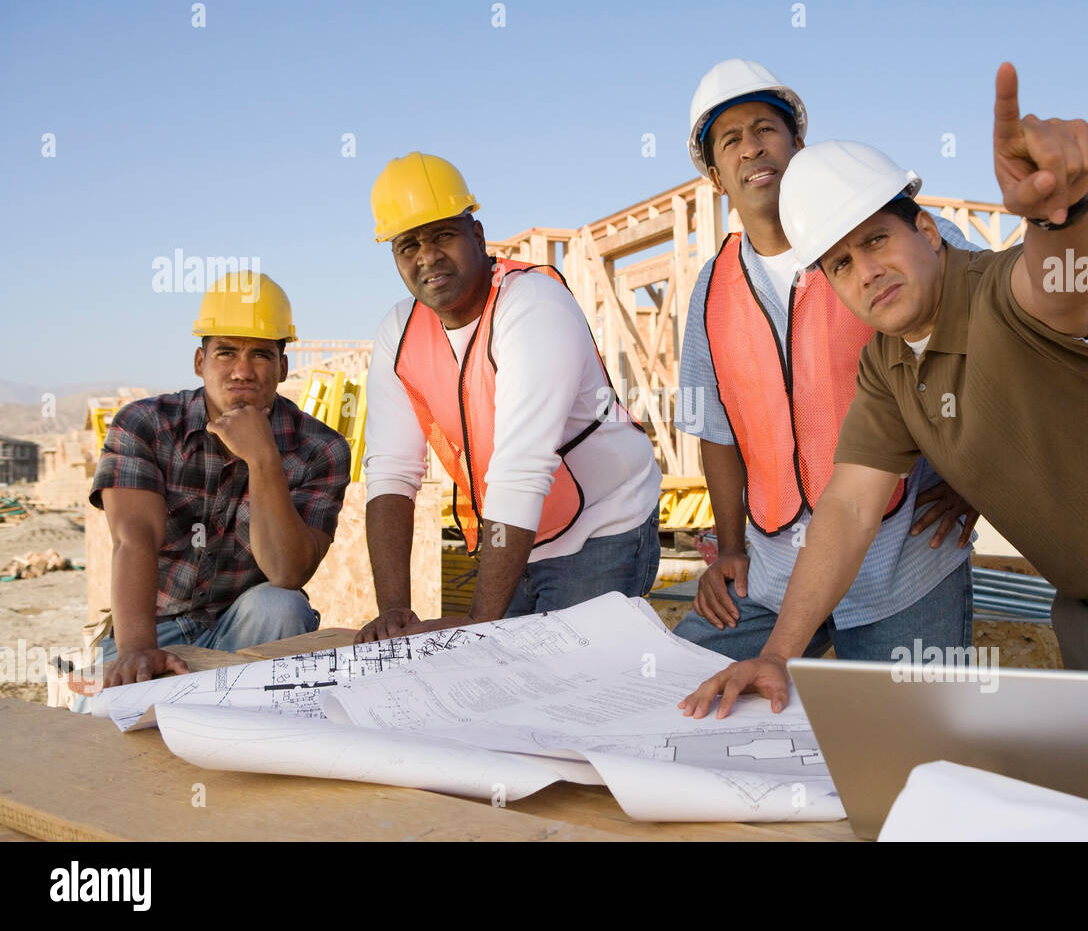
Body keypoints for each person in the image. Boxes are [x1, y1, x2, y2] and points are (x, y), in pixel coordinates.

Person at [680, 63, 1088, 748]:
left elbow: (1063, 282)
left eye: (878, 240)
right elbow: (851, 507)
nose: (867, 273)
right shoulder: (887, 367)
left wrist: (1058, 212)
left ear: (929, 230)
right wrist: (778, 654)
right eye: (842, 265)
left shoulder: (1007, 295)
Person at [672, 59, 979, 662]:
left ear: (798, 144)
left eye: (766, 129)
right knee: (677, 691)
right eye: (730, 140)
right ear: (714, 175)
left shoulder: (893, 239)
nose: (752, 148)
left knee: (906, 749)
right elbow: (717, 430)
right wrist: (730, 547)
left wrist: (976, 487)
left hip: (902, 569)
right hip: (773, 578)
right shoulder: (712, 290)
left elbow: (999, 348)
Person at [357, 153, 662, 641]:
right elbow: (392, 470)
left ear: (477, 236)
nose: (427, 256)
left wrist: (481, 624)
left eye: (443, 235)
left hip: (603, 523)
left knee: (567, 678)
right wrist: (394, 608)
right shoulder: (399, 333)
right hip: (516, 533)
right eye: (408, 245)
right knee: (505, 677)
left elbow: (520, 467)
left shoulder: (531, 304)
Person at [82, 271, 350, 691]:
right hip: (153, 626)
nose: (242, 371)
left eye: (261, 355)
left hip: (246, 629)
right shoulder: (145, 425)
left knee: (281, 604)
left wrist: (263, 460)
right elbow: (133, 539)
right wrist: (136, 648)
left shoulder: (320, 448)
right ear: (199, 362)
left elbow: (288, 571)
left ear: (282, 366)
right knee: (104, 732)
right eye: (225, 352)